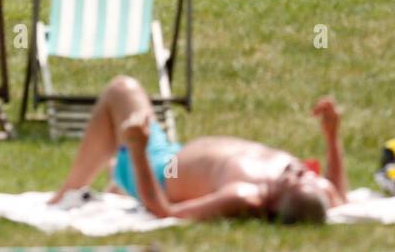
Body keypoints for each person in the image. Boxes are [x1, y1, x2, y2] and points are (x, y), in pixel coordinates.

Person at [51, 75, 346, 222]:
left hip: (157, 169)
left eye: (294, 180)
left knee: (122, 89)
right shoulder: (314, 190)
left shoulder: (243, 195)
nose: (299, 171)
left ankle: (69, 193)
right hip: (175, 157)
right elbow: (339, 194)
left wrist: (138, 150)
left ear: (274, 204)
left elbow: (166, 212)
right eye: (306, 176)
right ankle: (116, 180)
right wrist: (332, 138)